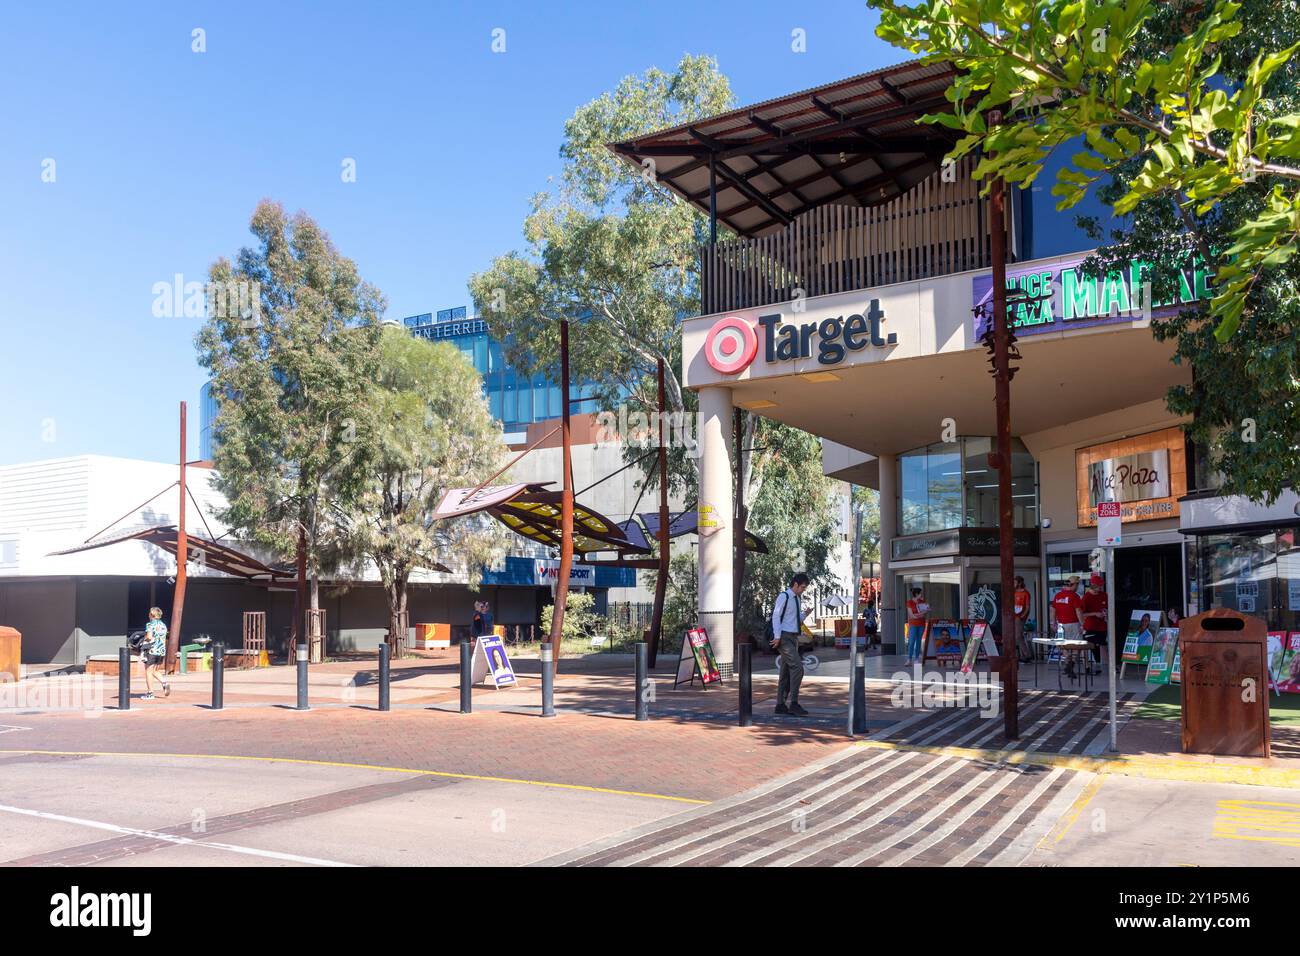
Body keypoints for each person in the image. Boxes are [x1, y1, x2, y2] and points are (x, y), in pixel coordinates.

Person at [771, 572, 811, 716]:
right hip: (784, 637)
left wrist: (805, 614)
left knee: (786, 672)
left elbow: (794, 619)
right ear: (795, 584)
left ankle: (780, 704)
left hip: (793, 638)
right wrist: (777, 636)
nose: (803, 590)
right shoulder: (784, 596)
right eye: (802, 587)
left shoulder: (797, 599)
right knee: (798, 668)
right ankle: (793, 703)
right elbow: (776, 616)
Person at [1080, 573, 1109, 671]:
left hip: (1102, 626)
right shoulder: (1086, 597)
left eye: (1101, 586)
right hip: (1090, 626)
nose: (1101, 588)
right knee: (1088, 645)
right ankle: (1087, 666)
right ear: (1093, 585)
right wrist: (1095, 614)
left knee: (1103, 644)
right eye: (1099, 586)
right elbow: (1082, 614)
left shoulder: (1104, 595)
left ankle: (1107, 665)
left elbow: (1108, 607)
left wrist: (1105, 612)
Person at [141, 606, 170, 700]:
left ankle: (150, 693)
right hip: (161, 651)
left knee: (148, 671)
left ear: (152, 614)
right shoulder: (163, 625)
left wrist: (143, 639)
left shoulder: (150, 624)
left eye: (149, 613)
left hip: (152, 650)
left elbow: (149, 637)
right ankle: (164, 682)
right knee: (155, 670)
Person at [1051, 576, 1084, 642]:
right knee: (1076, 645)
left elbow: (1053, 610)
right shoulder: (1075, 596)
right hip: (1073, 625)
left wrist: (1053, 623)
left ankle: (1066, 653)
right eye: (1077, 584)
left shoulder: (1058, 595)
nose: (1077, 587)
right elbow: (1078, 611)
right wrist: (1083, 624)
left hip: (1060, 625)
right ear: (1073, 585)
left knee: (1063, 646)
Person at [905, 587, 929, 664]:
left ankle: (916, 659)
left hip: (921, 624)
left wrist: (917, 615)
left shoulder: (922, 602)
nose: (921, 595)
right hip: (912, 624)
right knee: (911, 641)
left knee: (919, 641)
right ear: (916, 594)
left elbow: (924, 614)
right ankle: (909, 659)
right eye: (920, 593)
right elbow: (911, 615)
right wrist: (920, 614)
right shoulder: (909, 602)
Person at [1013, 576, 1033, 662]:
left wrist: (1023, 616)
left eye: (1015, 582)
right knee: (1018, 636)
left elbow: (1027, 607)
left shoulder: (1026, 593)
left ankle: (1027, 654)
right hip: (1013, 615)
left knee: (1018, 636)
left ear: (1020, 583)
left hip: (1020, 616)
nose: (1014, 584)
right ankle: (1023, 656)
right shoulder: (1014, 593)